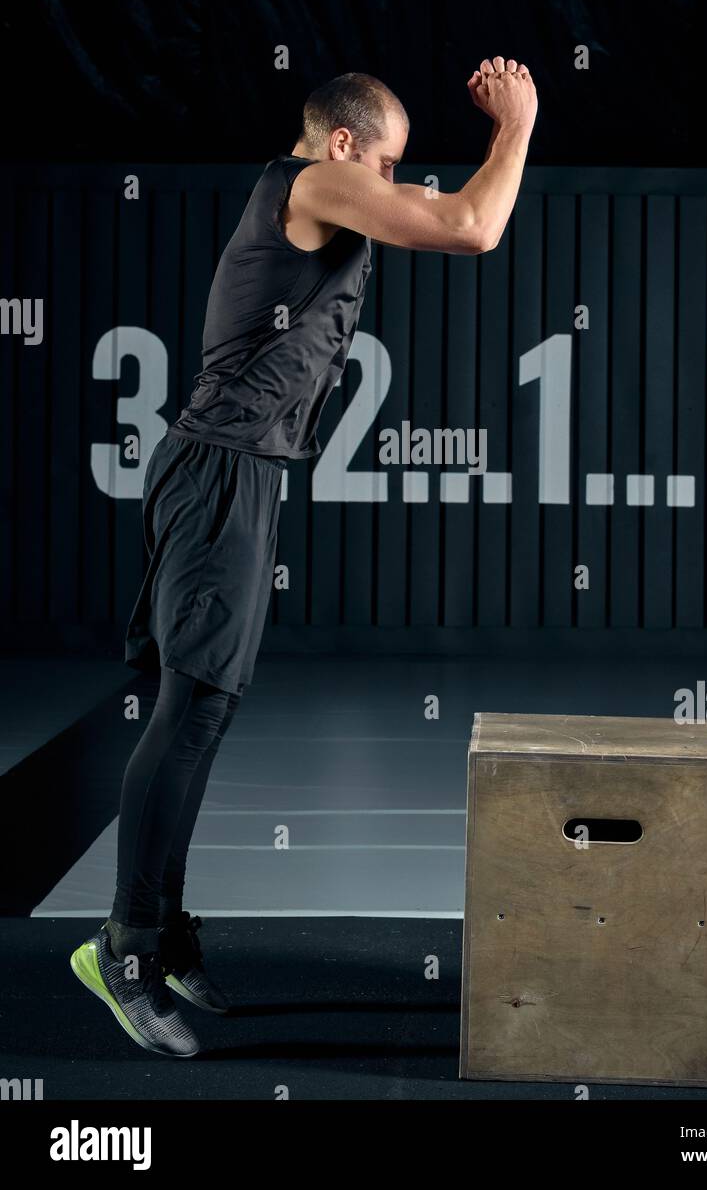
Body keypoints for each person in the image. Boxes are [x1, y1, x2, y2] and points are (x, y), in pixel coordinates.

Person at [69, 57, 538, 1056]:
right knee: (191, 706)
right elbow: (471, 226)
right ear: (340, 145)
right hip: (218, 473)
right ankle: (123, 948)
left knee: (204, 708)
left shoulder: (318, 190)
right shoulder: (312, 181)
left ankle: (160, 925)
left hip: (239, 472)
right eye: (387, 162)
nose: (387, 179)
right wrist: (517, 123)